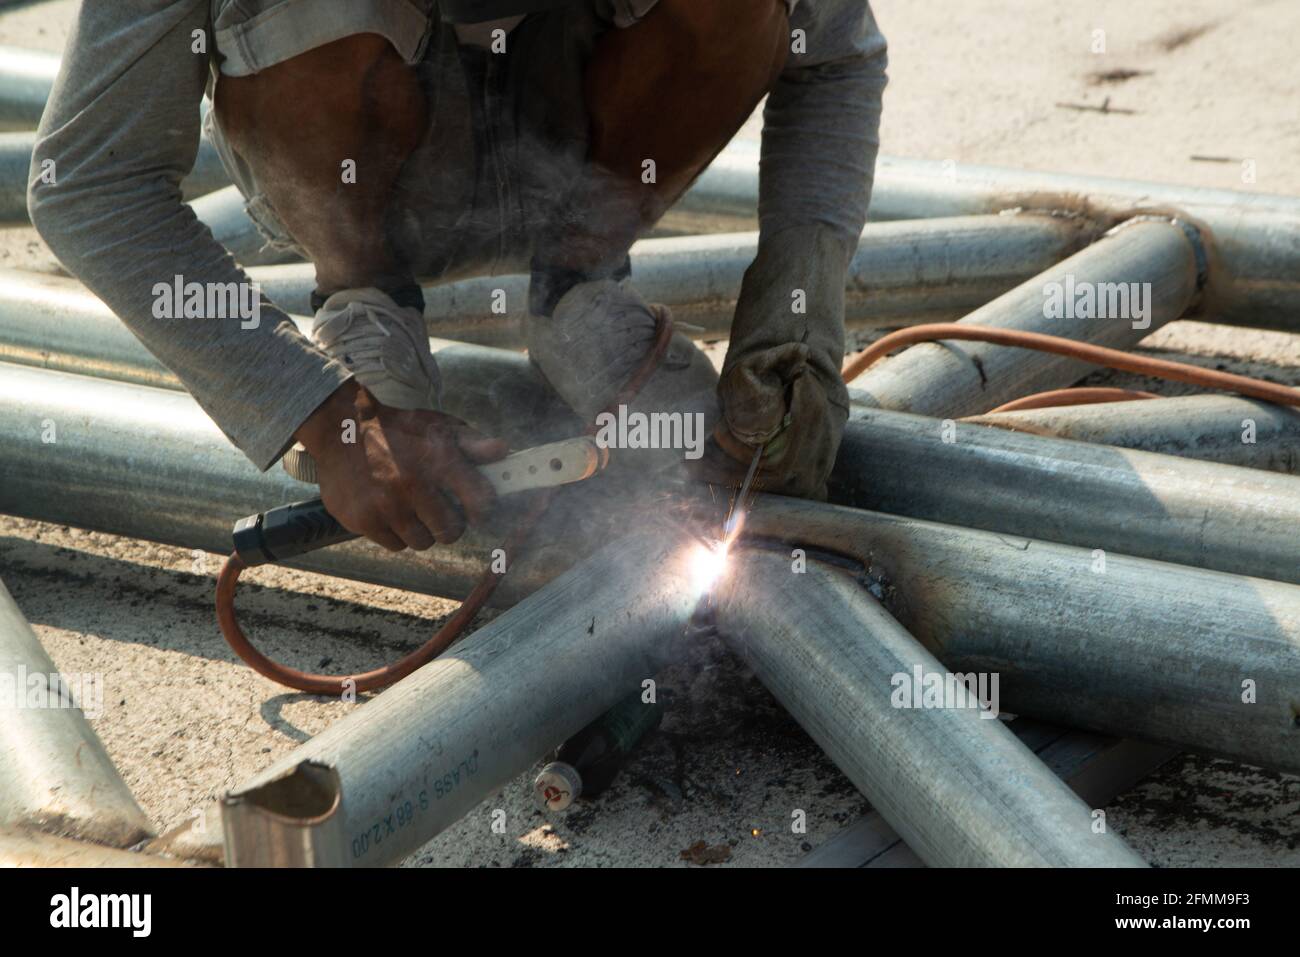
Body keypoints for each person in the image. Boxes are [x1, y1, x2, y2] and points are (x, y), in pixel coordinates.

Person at [30, 0, 886, 552]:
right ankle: (367, 301)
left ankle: (576, 290)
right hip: (367, 172)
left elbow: (838, 51)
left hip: (578, 130)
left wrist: (795, 319)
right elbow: (88, 183)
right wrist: (328, 417)